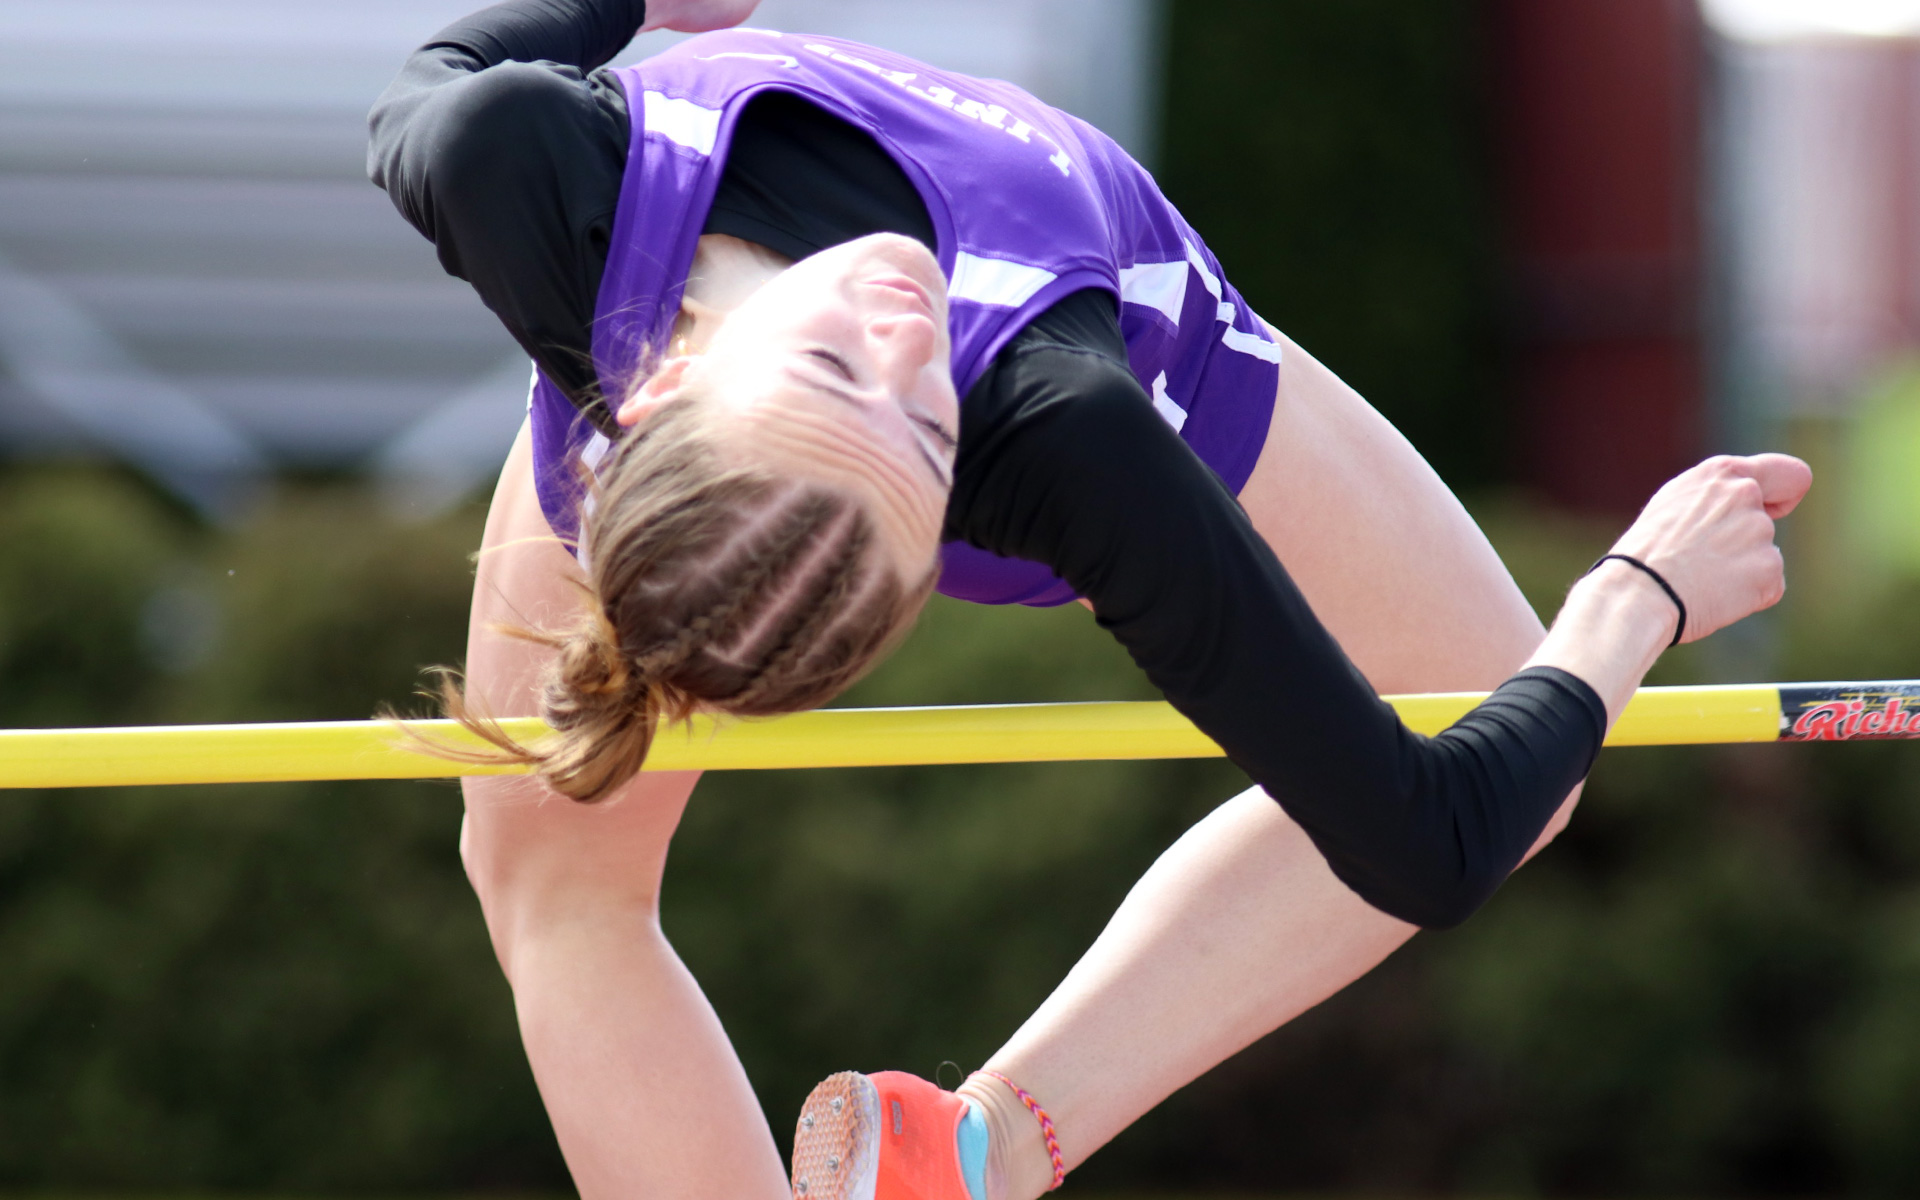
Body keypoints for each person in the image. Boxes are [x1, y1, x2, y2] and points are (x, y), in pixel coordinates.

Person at [366, 2, 1811, 1198]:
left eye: (829, 370)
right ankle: (986, 1154)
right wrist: (1638, 597)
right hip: (1119, 303)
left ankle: (957, 1157)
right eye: (912, 422)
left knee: (544, 876)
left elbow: (423, 89)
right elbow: (1430, 843)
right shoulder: (1063, 436)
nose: (899, 323)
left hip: (795, 402)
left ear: (666, 383)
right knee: (553, 879)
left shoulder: (519, 164)